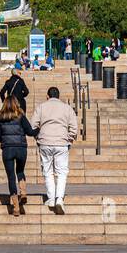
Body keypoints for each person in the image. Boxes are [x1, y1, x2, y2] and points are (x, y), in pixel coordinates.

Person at [29, 86, 78, 214]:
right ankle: (59, 199)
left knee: (48, 171)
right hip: (61, 142)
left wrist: (37, 137)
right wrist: (70, 138)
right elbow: (74, 126)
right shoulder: (66, 108)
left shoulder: (41, 107)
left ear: (47, 96)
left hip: (45, 141)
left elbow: (32, 125)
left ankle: (51, 198)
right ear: (58, 96)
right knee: (61, 172)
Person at [0, 96, 36, 215]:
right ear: (16, 103)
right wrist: (38, 129)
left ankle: (16, 207)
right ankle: (23, 193)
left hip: (7, 149)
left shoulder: (0, 117)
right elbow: (29, 131)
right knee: (20, 171)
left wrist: (4, 140)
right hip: (21, 148)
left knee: (11, 177)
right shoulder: (20, 116)